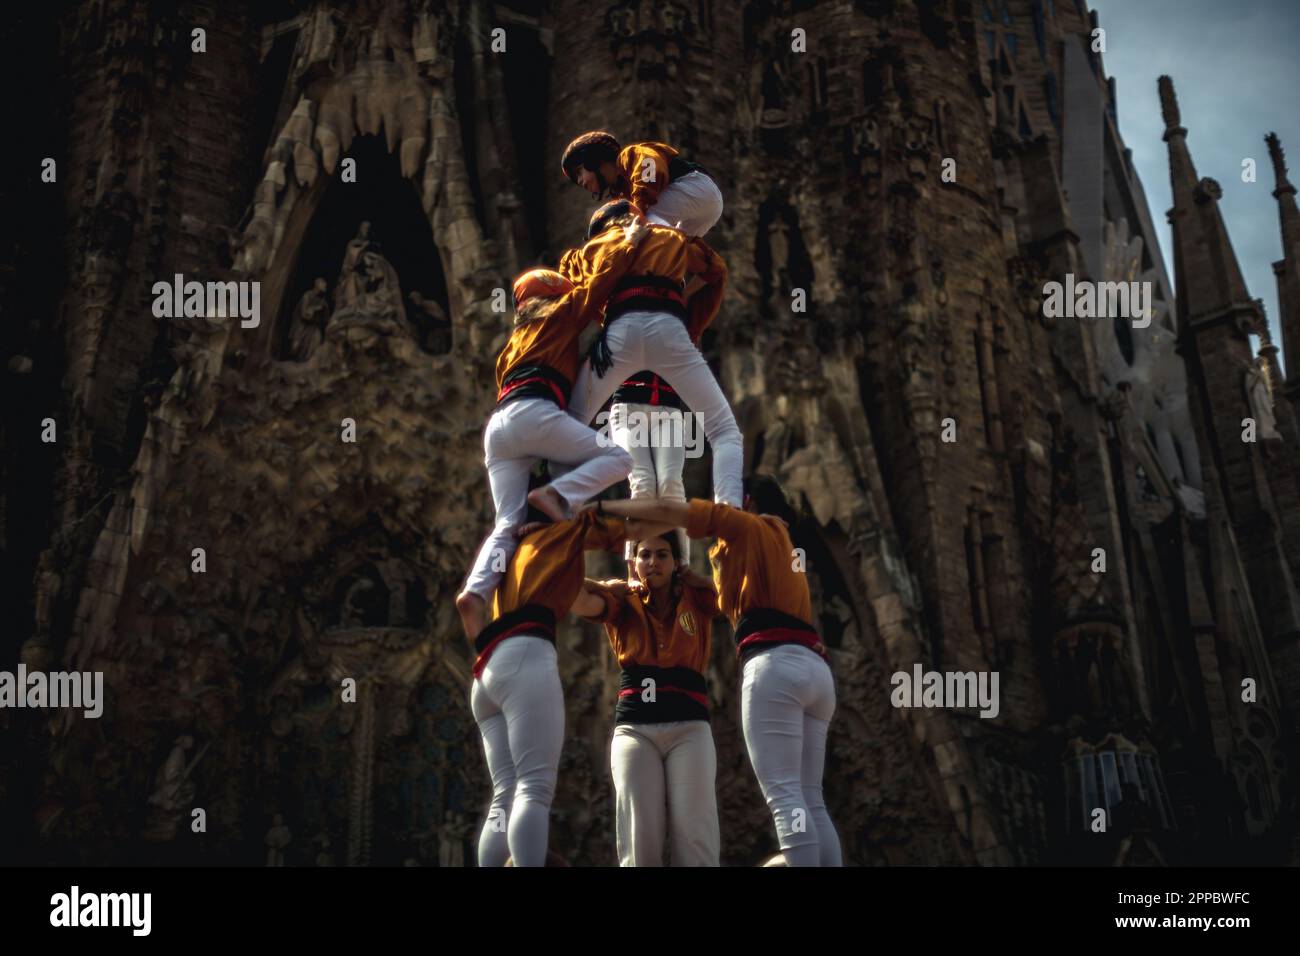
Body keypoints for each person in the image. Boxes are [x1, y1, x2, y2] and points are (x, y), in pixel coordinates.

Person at [586, 475, 842, 866]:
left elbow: (673, 511)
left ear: (746, 501)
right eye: (644, 555)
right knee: (812, 797)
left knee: (786, 794)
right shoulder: (783, 541)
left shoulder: (747, 526)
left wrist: (606, 510)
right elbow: (729, 599)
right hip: (814, 668)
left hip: (773, 666)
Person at [456, 217, 650, 635]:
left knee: (506, 523)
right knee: (618, 458)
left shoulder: (511, 345)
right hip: (536, 413)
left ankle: (474, 593)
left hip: (500, 428)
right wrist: (630, 242)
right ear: (552, 294)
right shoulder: (561, 314)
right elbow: (599, 284)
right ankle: (557, 496)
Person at [462, 509, 629, 867]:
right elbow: (629, 529)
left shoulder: (507, 543)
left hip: (487, 670)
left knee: (504, 791)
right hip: (527, 655)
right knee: (533, 789)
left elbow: (467, 603)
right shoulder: (565, 530)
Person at [563, 201, 743, 512]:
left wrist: (604, 315)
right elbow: (715, 271)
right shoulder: (669, 236)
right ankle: (730, 515)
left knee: (568, 423)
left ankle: (551, 508)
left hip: (622, 330)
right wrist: (683, 300)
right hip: (668, 329)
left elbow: (578, 293)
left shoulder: (592, 250)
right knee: (723, 431)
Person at [570, 530, 720, 865]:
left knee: (696, 837)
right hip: (636, 729)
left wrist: (699, 579)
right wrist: (607, 586)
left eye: (663, 554)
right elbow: (575, 598)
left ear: (676, 561)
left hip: (690, 729)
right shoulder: (623, 602)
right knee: (639, 841)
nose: (653, 562)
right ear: (633, 562)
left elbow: (736, 595)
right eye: (645, 554)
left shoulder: (697, 599)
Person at [560, 131, 722, 235]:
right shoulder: (620, 192)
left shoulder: (629, 156)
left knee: (636, 228)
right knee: (676, 251)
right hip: (706, 206)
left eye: (579, 172)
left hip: (694, 186)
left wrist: (638, 211)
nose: (580, 181)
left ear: (592, 159)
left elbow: (651, 168)